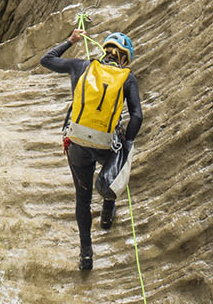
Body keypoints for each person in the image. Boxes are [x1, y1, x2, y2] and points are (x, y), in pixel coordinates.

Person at [40, 28, 143, 271]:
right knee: (116, 170)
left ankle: (86, 254)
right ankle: (107, 215)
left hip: (77, 144)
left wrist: (70, 40)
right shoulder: (127, 78)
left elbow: (46, 60)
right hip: (106, 144)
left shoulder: (81, 66)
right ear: (124, 58)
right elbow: (137, 116)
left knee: (82, 199)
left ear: (105, 50)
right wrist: (126, 143)